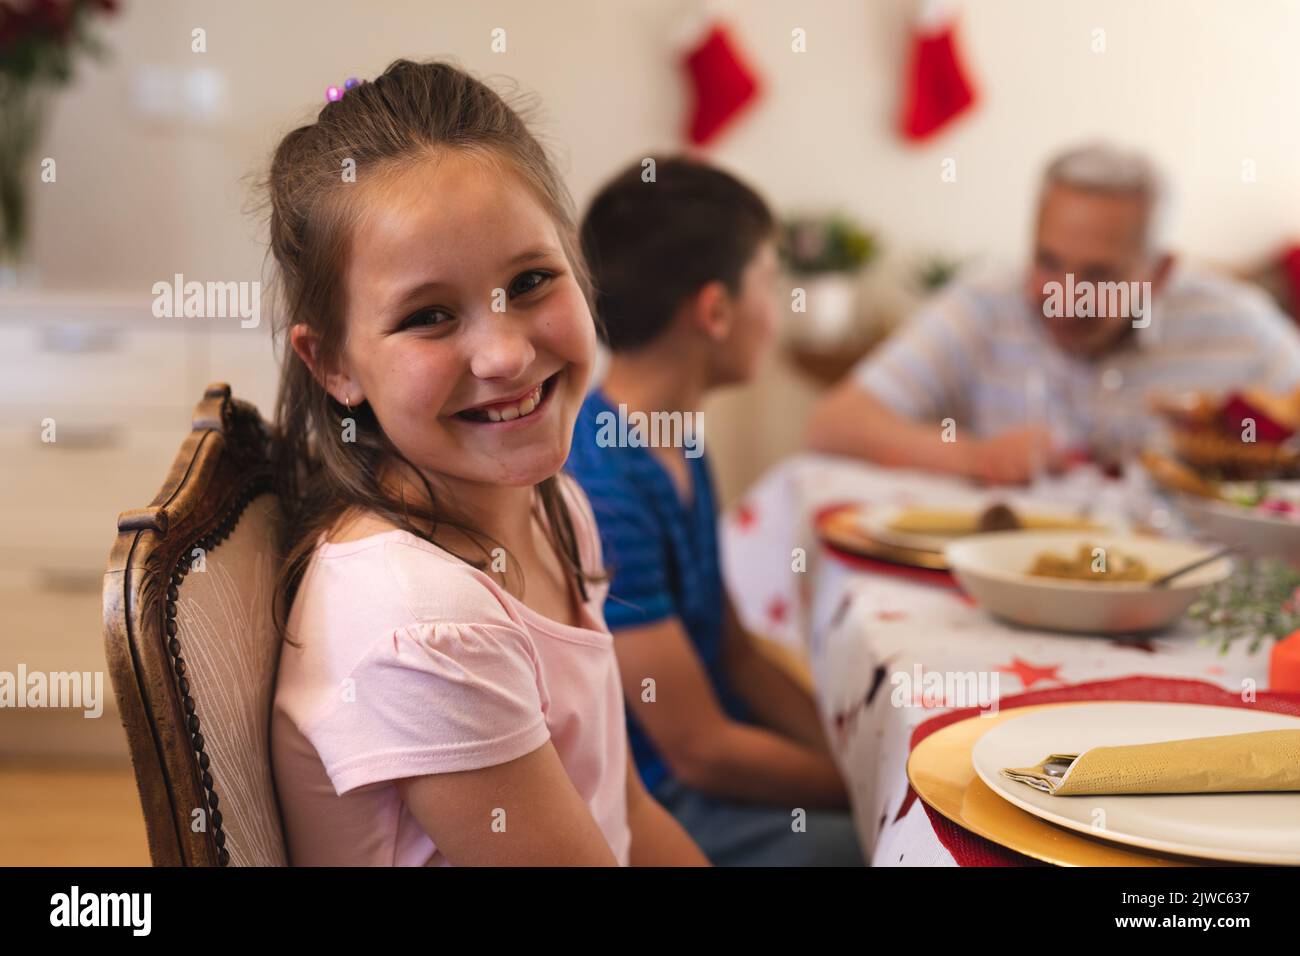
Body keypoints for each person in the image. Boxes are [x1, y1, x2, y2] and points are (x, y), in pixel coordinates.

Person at [266, 60, 707, 866]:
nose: (504, 354)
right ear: (333, 364)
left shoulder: (555, 508)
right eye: (429, 317)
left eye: (532, 280)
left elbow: (626, 815)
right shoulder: (425, 625)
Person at [566, 156, 864, 866]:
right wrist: (869, 788)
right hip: (659, 808)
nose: (777, 306)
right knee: (872, 849)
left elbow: (733, 649)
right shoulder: (604, 486)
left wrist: (851, 755)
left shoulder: (677, 440)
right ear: (716, 311)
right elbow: (696, 751)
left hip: (710, 776)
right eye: (769, 281)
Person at [807, 142, 1300, 483]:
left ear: (1160, 273)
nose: (1066, 295)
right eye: (1048, 262)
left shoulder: (1240, 328)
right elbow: (834, 425)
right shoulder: (985, 304)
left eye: (1098, 275)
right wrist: (978, 457)